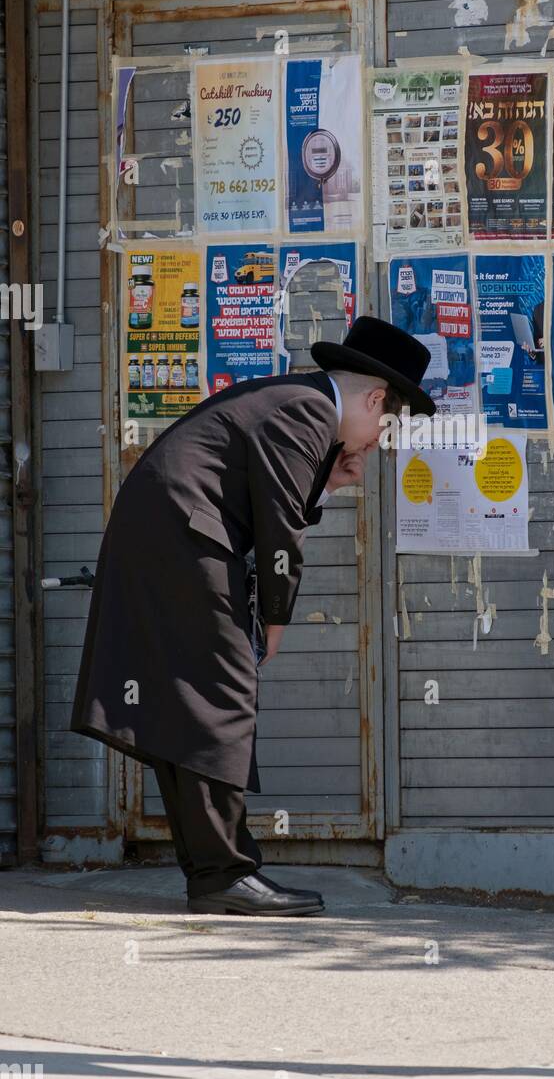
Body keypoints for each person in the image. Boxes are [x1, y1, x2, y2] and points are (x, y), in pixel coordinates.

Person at [70, 316, 436, 917]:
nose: (375, 444)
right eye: (384, 428)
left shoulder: (298, 403)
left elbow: (274, 497)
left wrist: (328, 477)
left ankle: (215, 872)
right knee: (223, 693)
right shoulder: (311, 410)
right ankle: (224, 875)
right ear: (375, 399)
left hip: (168, 536)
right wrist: (274, 619)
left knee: (188, 704)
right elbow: (278, 527)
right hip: (181, 540)